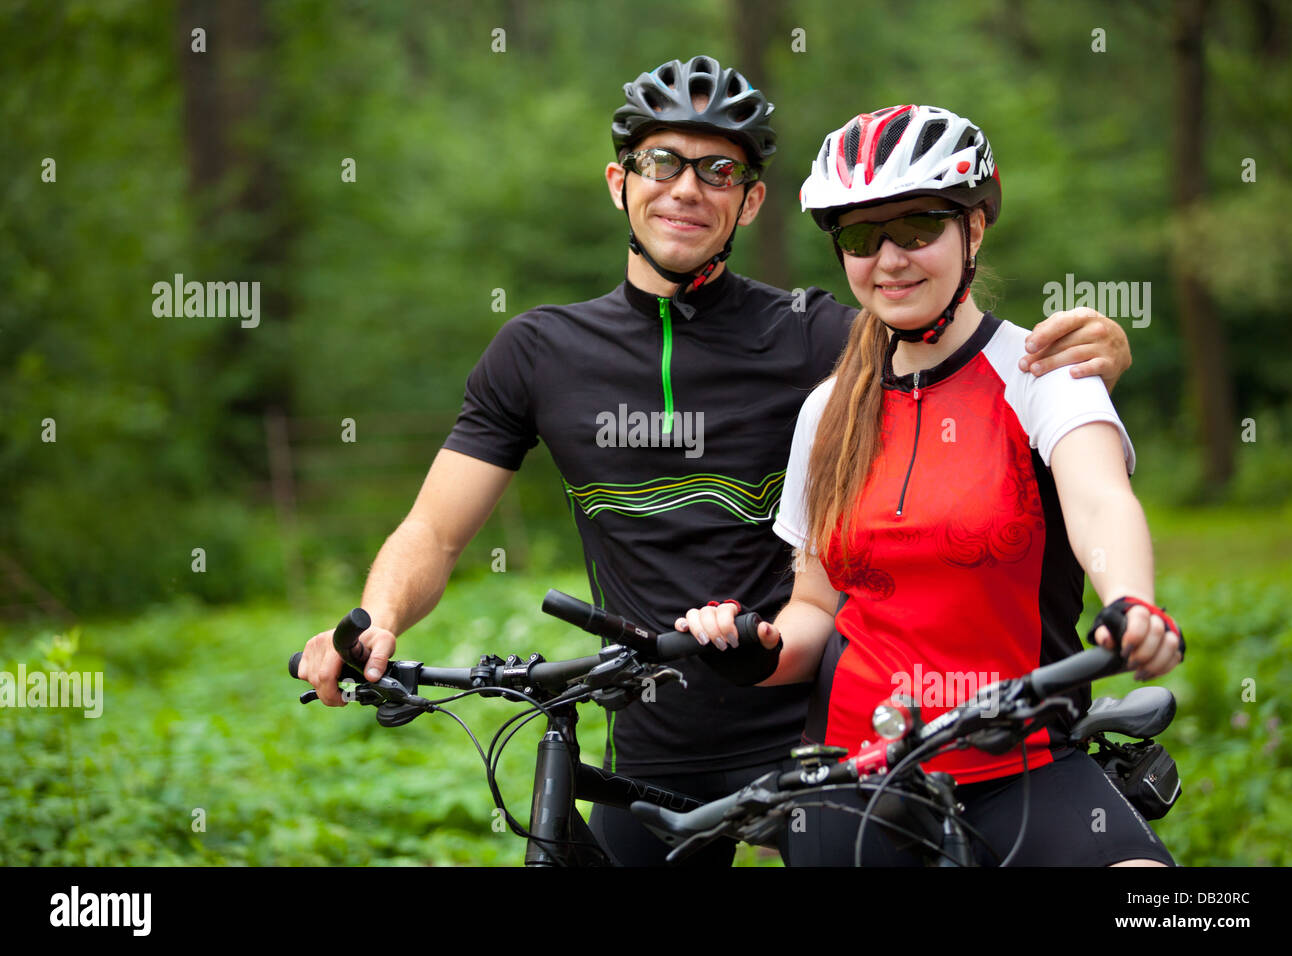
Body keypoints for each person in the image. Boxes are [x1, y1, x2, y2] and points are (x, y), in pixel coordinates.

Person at [294, 63, 1134, 867]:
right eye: (662, 161)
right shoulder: (537, 353)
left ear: (751, 198)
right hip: (648, 742)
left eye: (719, 170)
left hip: (809, 731)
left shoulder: (816, 335)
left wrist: (1094, 351)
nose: (687, 187)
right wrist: (376, 619)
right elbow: (435, 531)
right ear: (619, 181)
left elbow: (945, 334)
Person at [677, 106, 1183, 866]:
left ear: (974, 231)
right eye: (858, 237)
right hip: (857, 773)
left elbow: (1100, 500)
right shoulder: (828, 409)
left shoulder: (1043, 372)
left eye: (917, 228)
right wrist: (757, 651)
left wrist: (1131, 600)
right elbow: (816, 607)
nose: (888, 259)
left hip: (1025, 760)